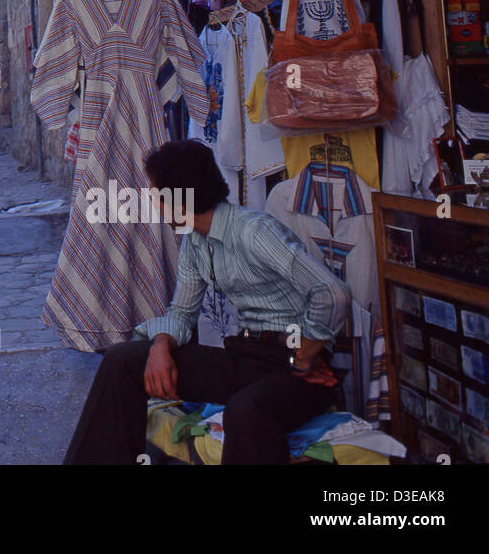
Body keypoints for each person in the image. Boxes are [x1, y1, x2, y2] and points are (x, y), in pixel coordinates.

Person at [64, 139, 351, 465]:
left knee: (246, 412)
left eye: (160, 197)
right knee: (122, 360)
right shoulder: (196, 242)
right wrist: (160, 344)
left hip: (300, 370)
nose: (157, 207)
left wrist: (303, 357)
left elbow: (332, 293)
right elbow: (182, 312)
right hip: (247, 358)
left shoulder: (254, 231)